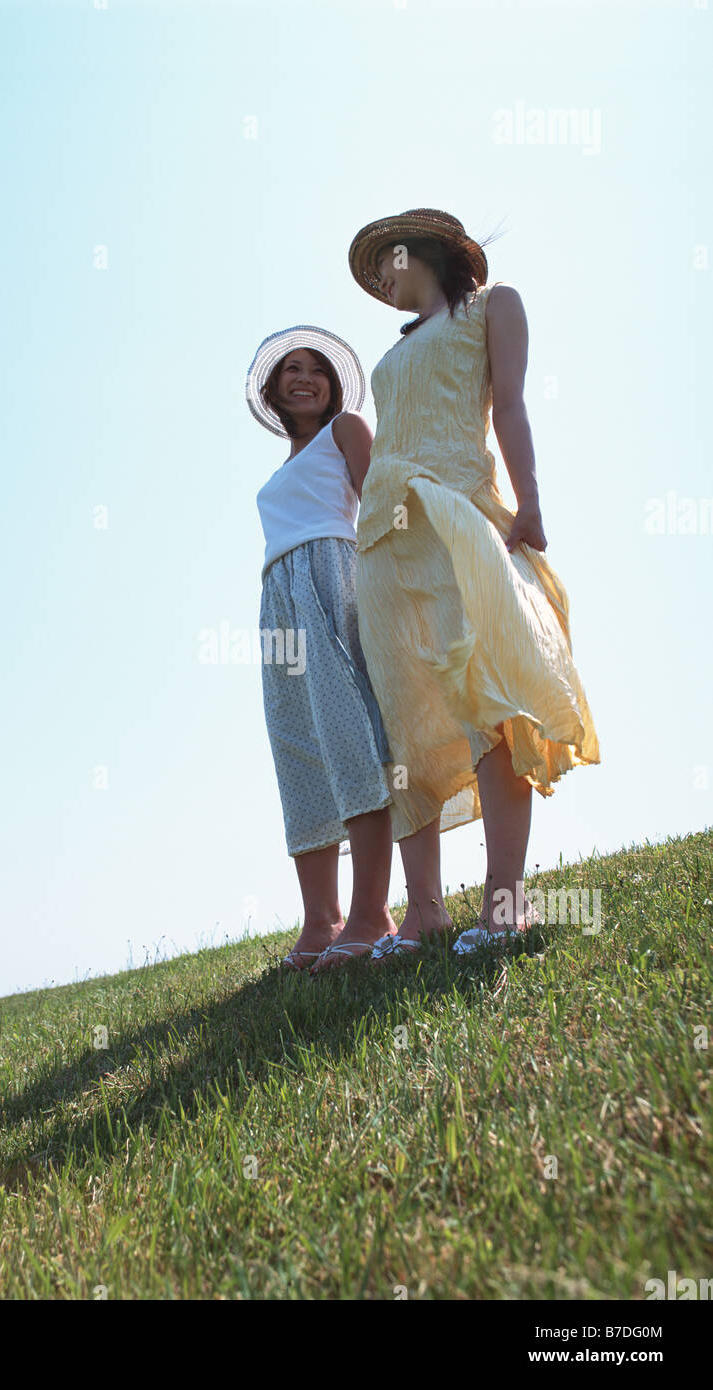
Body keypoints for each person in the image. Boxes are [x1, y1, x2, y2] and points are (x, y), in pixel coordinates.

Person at [345, 209, 600, 958]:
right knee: (408, 722)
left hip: (456, 511)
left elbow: (512, 405)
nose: (380, 286)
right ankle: (423, 915)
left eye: (381, 270)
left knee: (484, 700)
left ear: (410, 250)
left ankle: (504, 904)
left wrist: (531, 502)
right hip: (386, 543)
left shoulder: (493, 306)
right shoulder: (391, 354)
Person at [246, 326, 400, 973]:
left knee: (349, 738)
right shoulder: (280, 470)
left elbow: (382, 504)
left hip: (329, 576)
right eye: (290, 372)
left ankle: (371, 912)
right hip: (277, 596)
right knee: (298, 750)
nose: (303, 378)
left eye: (313, 369)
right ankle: (320, 921)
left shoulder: (347, 431)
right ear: (276, 393)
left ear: (331, 384)